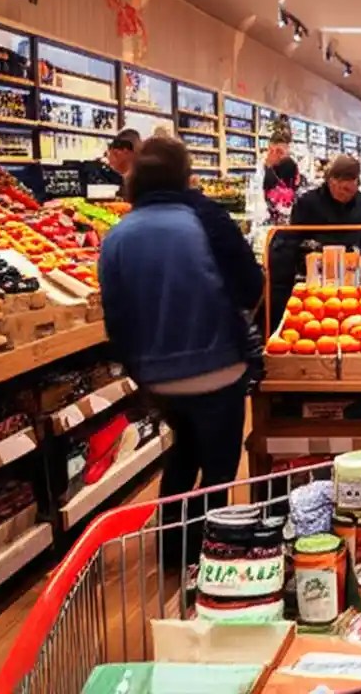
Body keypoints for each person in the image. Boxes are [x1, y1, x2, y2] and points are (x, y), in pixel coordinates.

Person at [99, 137, 259, 547]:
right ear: (182, 173)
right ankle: (211, 551)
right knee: (220, 468)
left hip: (157, 376)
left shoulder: (118, 235)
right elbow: (251, 283)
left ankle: (172, 547)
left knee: (182, 452)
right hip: (218, 366)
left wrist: (137, 365)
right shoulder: (204, 217)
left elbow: (115, 316)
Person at [265, 155, 361, 332]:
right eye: (344, 189)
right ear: (331, 181)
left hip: (351, 276)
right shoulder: (308, 201)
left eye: (352, 190)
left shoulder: (360, 201)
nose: (347, 195)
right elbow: (294, 240)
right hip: (316, 279)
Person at [263, 135, 301, 226]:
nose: (275, 155)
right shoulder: (263, 173)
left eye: (279, 152)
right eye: (271, 151)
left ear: (287, 152)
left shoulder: (291, 167)